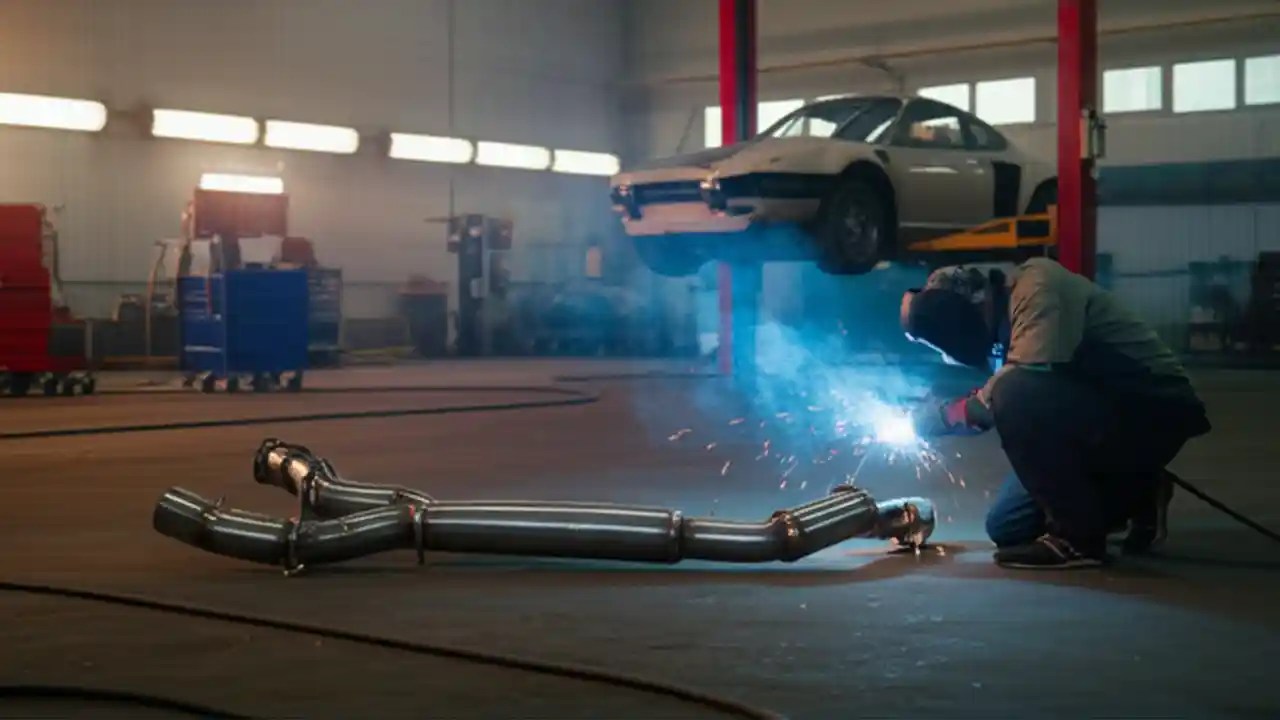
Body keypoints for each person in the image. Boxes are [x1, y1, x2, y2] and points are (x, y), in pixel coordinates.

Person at [901, 257, 1211, 569]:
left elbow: (1006, 395)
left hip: (1150, 406)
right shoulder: (998, 329)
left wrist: (941, 417)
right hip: (1096, 415)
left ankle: (1077, 540)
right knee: (1008, 526)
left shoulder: (1037, 288)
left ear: (976, 301)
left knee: (1014, 393)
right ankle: (1139, 487)